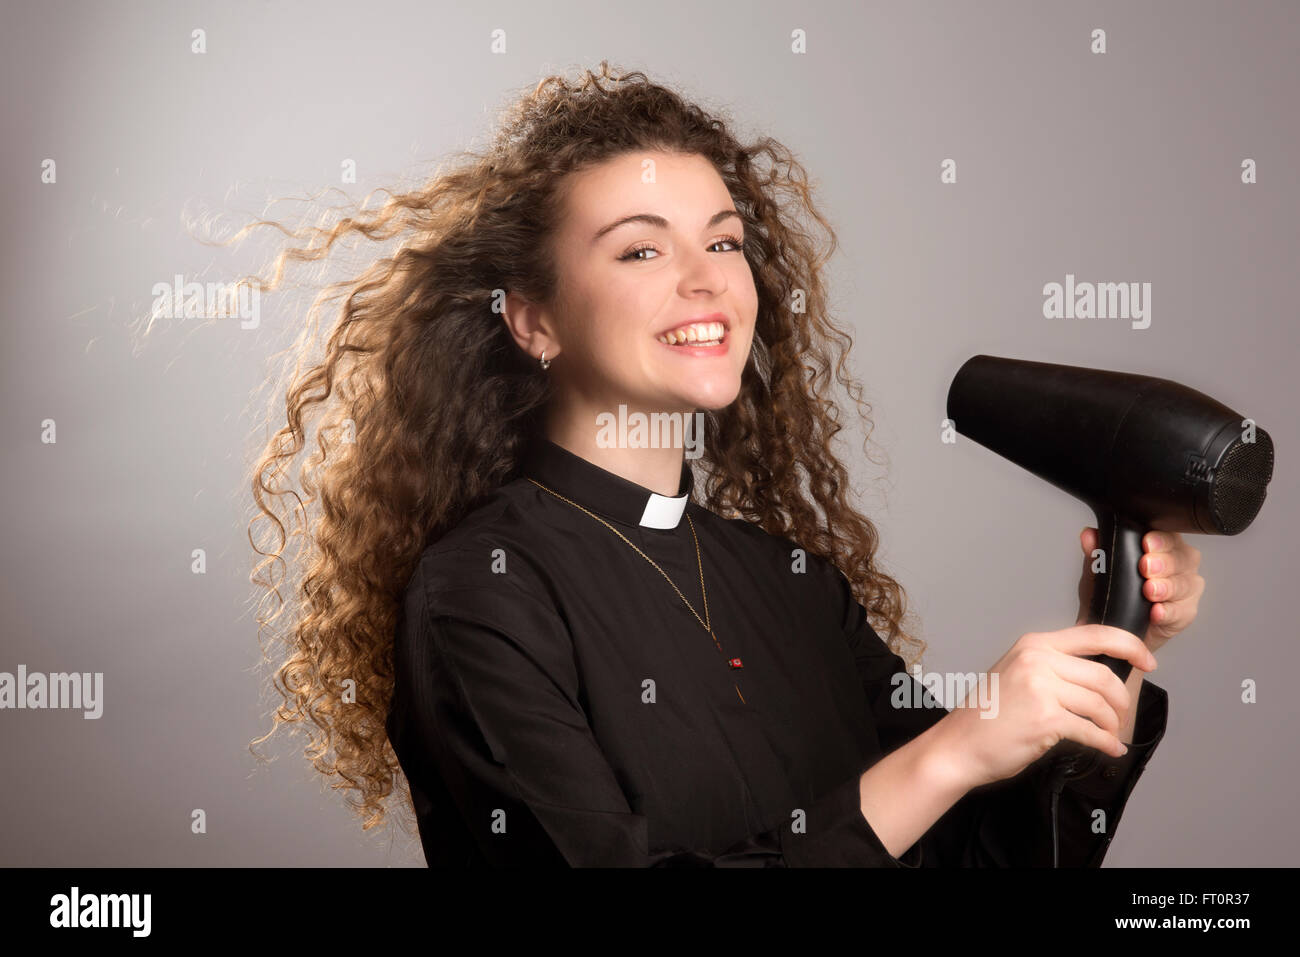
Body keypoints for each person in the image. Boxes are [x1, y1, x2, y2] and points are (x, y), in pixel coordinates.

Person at [248, 62, 1203, 867]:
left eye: (724, 241)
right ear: (533, 320)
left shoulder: (794, 587)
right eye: (638, 251)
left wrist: (1106, 649)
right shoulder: (480, 594)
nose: (704, 279)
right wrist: (951, 750)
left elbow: (976, 858)